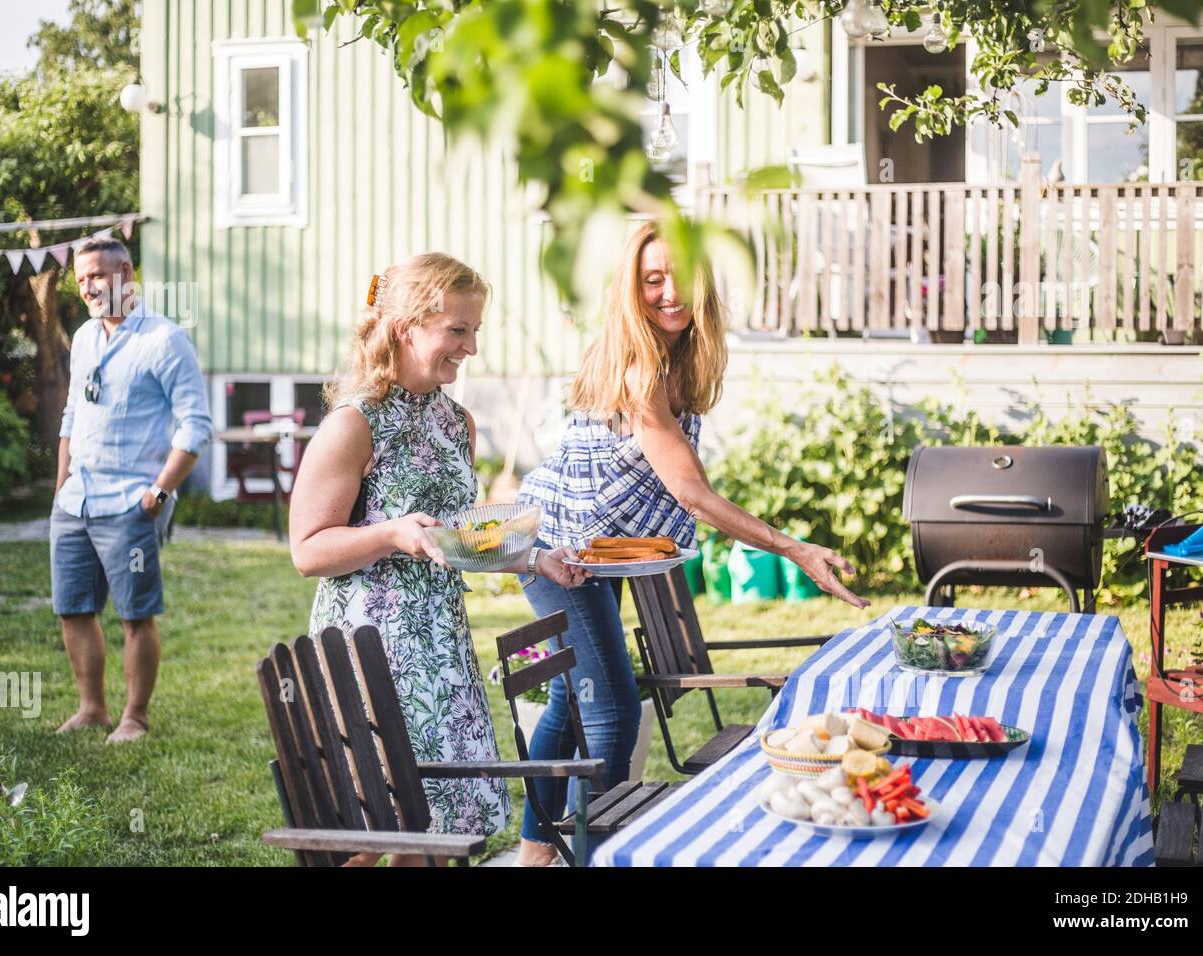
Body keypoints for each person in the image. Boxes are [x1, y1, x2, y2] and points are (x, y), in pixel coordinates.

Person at [512, 221, 871, 865]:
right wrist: (795, 549)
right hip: (557, 551)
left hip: (604, 552)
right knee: (615, 712)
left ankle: (537, 853)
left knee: (573, 697)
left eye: (681, 275)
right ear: (632, 287)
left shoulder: (676, 356)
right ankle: (595, 855)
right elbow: (692, 494)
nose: (670, 292)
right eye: (653, 279)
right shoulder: (636, 363)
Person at [289, 253, 588, 866]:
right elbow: (307, 549)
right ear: (407, 327)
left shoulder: (457, 424)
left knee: (437, 827)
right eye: (458, 330)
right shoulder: (353, 423)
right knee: (371, 827)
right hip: (368, 646)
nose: (470, 348)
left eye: (475, 331)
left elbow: (452, 542)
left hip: (438, 648)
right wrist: (389, 533)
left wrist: (537, 561)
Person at [51, 236, 212, 744]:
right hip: (75, 501)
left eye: (97, 275)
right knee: (74, 608)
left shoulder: (165, 340)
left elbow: (196, 425)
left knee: (135, 615)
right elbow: (72, 415)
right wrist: (60, 486)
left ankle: (134, 717)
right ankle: (92, 708)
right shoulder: (82, 339)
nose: (89, 288)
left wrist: (159, 494)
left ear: (125, 271)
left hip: (130, 504)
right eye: (81, 280)